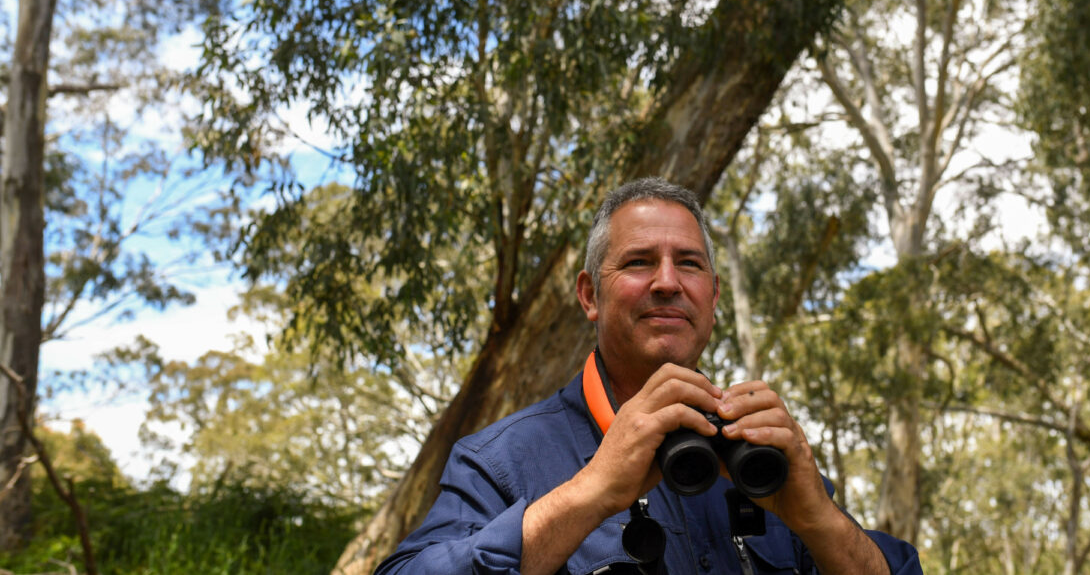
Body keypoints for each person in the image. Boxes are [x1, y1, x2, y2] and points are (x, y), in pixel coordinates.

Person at [374, 178, 922, 574]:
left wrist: (820, 521)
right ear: (590, 295)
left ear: (712, 297)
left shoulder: (758, 453)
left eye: (688, 263)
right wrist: (588, 494)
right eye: (638, 262)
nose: (667, 282)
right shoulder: (501, 460)